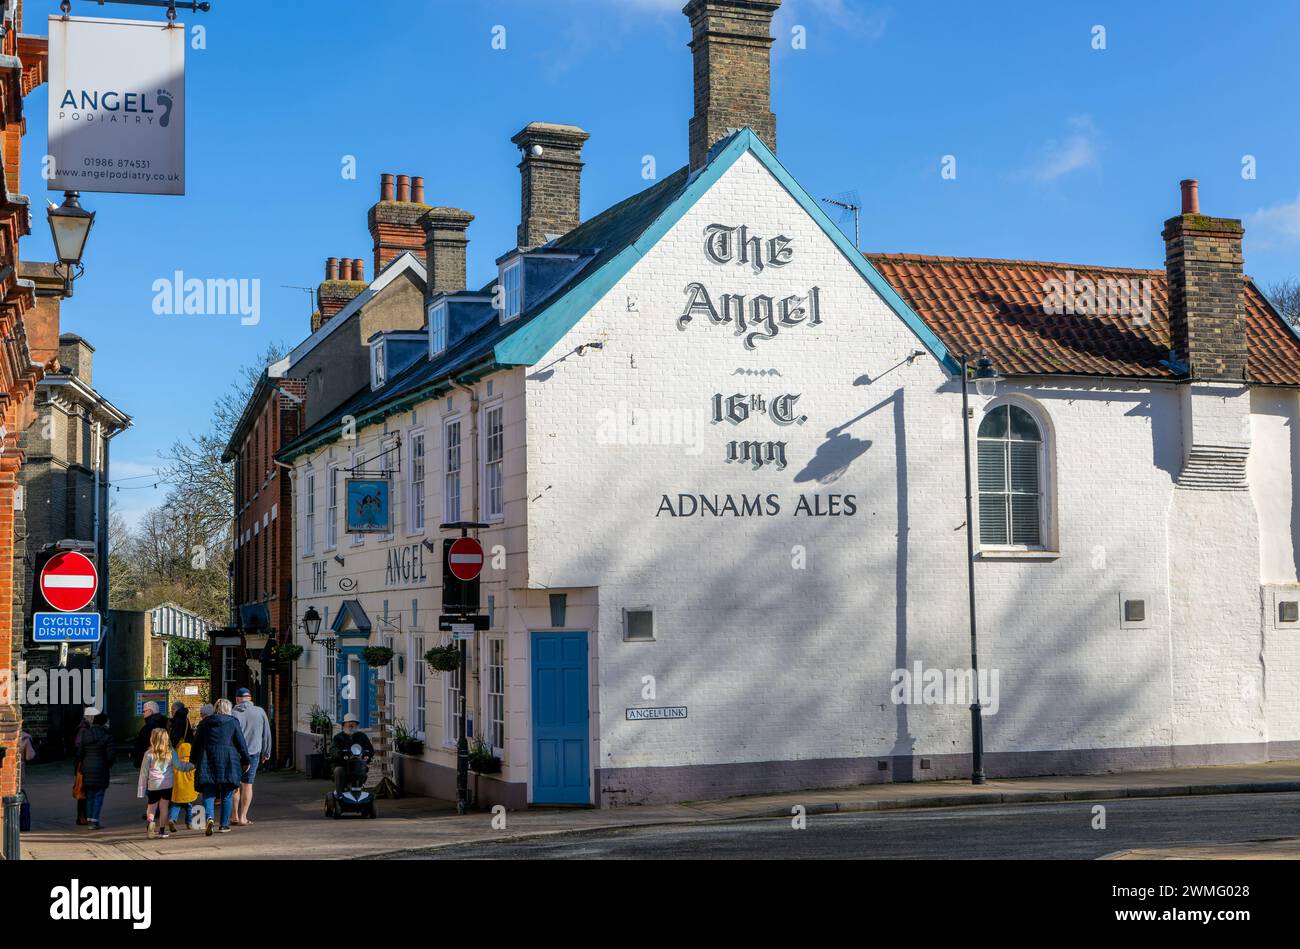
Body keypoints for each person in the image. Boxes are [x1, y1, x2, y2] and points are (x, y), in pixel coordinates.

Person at [188, 697, 250, 835]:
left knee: (208, 791)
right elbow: (241, 743)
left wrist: (193, 760)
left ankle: (209, 817)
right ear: (229, 709)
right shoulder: (233, 722)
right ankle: (223, 825)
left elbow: (196, 743)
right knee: (227, 793)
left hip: (207, 759)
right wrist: (246, 760)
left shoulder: (204, 723)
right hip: (228, 760)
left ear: (215, 708)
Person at [136, 728, 193, 839]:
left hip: (153, 784)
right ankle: (162, 831)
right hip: (167, 784)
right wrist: (191, 766)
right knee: (164, 807)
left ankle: (150, 822)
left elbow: (143, 773)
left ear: (152, 739)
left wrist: (141, 790)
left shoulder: (148, 754)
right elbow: (179, 766)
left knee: (151, 808)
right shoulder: (171, 752)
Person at [231, 687, 271, 826]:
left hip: (235, 754)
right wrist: (266, 752)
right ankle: (243, 817)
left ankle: (234, 815)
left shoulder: (233, 713)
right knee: (247, 785)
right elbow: (266, 733)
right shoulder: (259, 711)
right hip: (253, 752)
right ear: (250, 698)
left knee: (234, 785)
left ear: (237, 699)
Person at [75, 712, 115, 829]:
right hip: (101, 768)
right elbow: (111, 755)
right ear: (104, 722)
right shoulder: (107, 735)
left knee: (90, 795)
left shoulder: (86, 734)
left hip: (87, 768)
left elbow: (79, 753)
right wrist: (107, 764)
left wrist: (82, 765)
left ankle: (89, 819)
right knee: (98, 795)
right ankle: (94, 820)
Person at [330, 713, 374, 798]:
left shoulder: (362, 736)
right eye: (348, 722)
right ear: (344, 725)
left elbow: (370, 749)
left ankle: (358, 792)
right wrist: (341, 754)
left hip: (358, 763)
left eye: (353, 722)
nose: (351, 724)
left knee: (362, 769)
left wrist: (367, 754)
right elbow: (333, 750)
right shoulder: (338, 738)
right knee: (339, 771)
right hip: (342, 764)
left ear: (356, 724)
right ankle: (339, 794)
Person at [168, 739, 200, 832]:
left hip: (178, 791)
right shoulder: (192, 764)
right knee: (189, 807)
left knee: (175, 806)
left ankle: (172, 819)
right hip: (188, 792)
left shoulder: (176, 764)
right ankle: (189, 823)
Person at [73, 708, 94, 825]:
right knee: (82, 791)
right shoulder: (83, 730)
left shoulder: (83, 728)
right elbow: (78, 746)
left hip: (81, 764)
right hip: (82, 765)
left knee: (83, 790)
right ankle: (82, 816)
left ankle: (83, 816)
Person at [132, 702, 169, 767]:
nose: (143, 713)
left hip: (150, 761)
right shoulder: (166, 724)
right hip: (164, 758)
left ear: (150, 711)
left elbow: (143, 745)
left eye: (144, 711)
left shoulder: (149, 726)